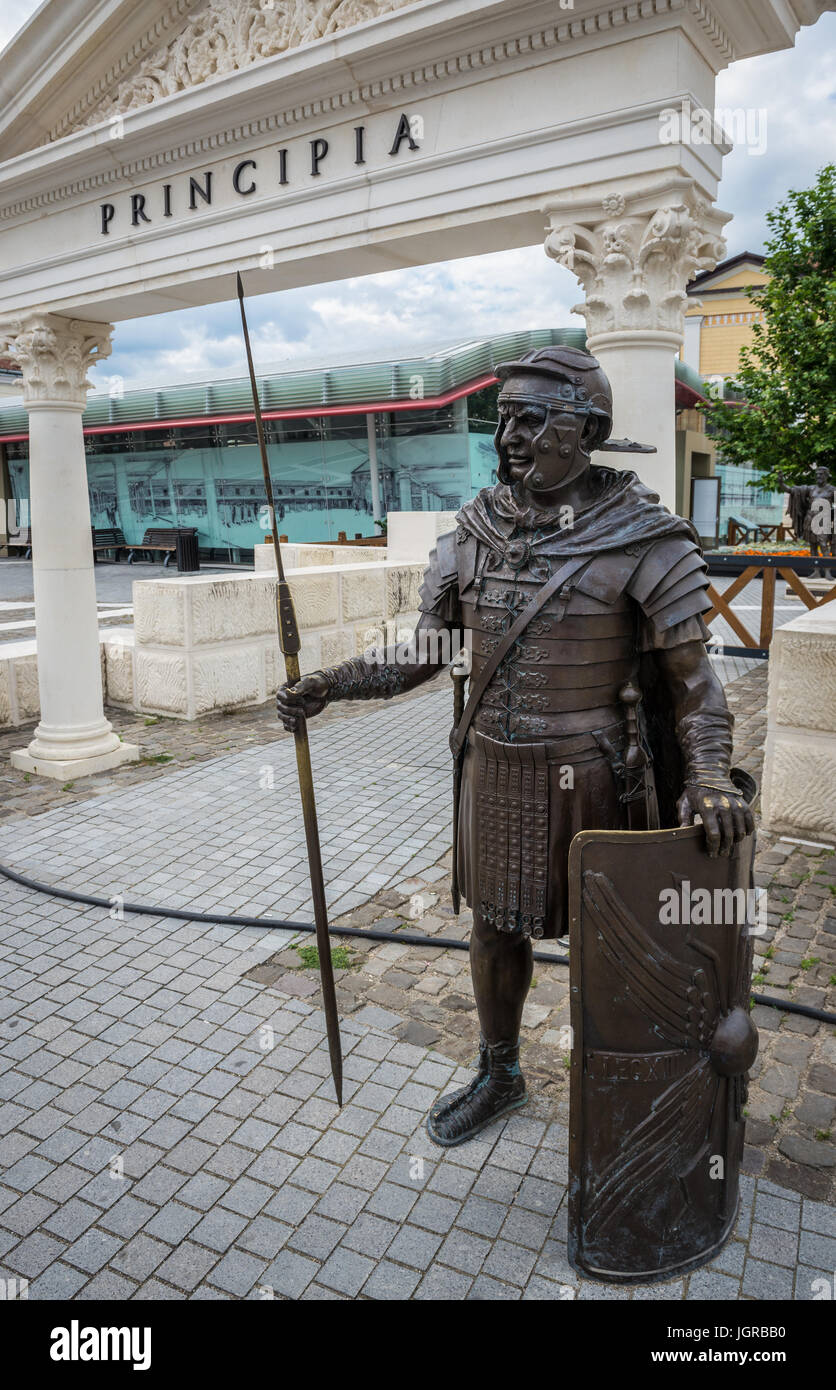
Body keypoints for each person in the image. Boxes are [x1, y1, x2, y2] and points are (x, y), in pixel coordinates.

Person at [277, 346, 753, 1147]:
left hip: (599, 784)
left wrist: (708, 776)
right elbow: (427, 653)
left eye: (532, 420)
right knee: (494, 931)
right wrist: (335, 681)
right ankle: (499, 1070)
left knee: (617, 946)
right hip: (493, 774)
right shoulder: (473, 533)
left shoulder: (646, 540)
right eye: (503, 421)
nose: (511, 438)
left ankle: (629, 1090)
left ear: (588, 427)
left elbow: (693, 685)